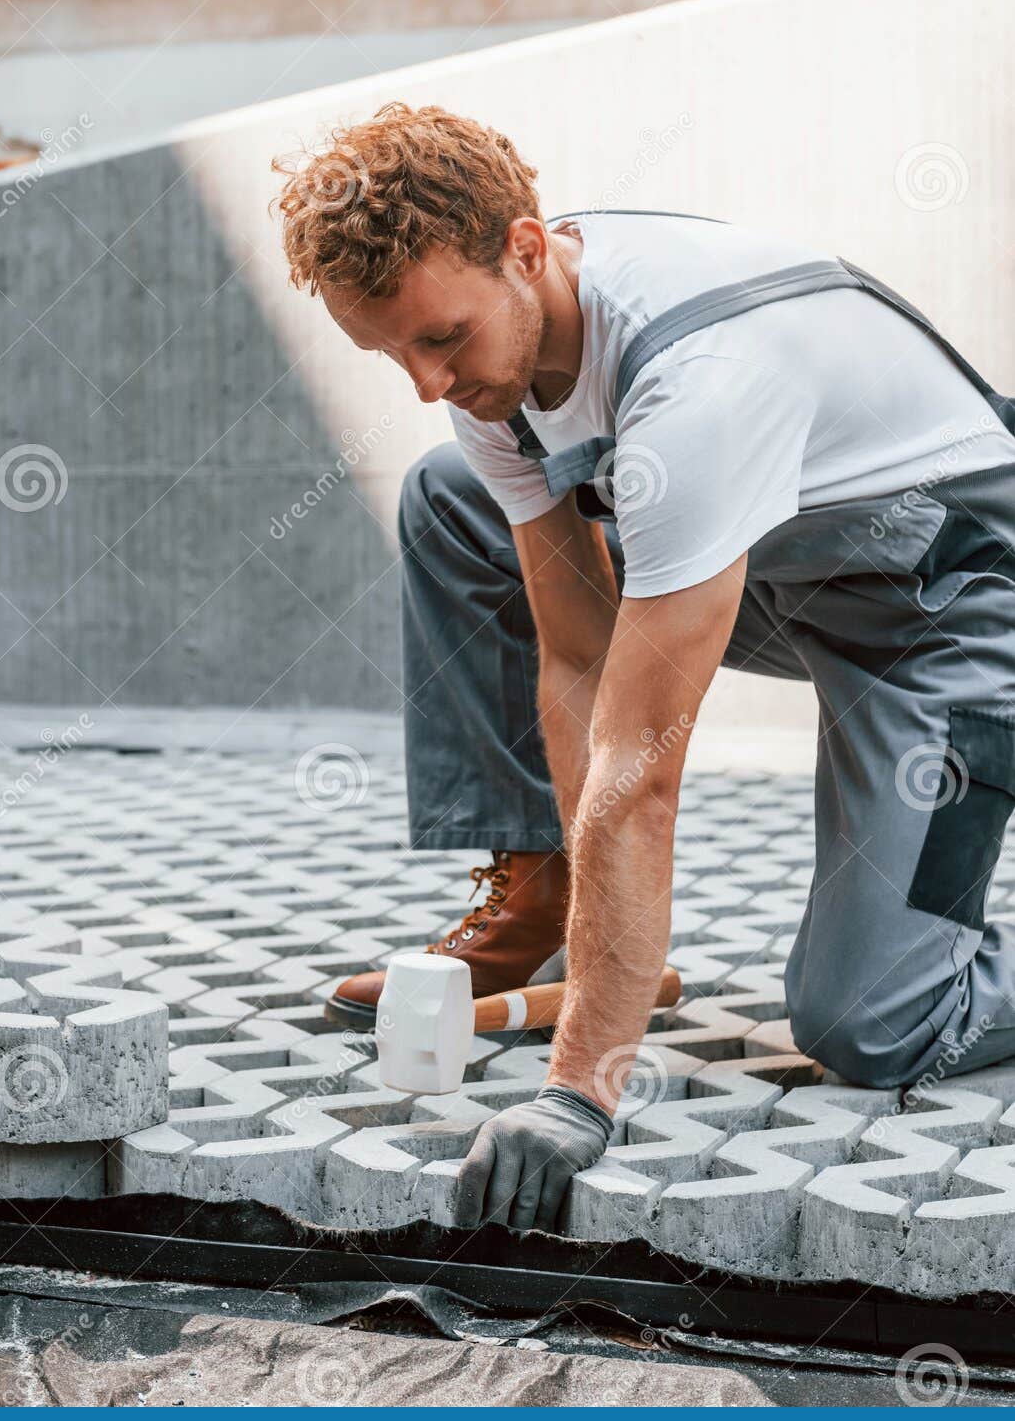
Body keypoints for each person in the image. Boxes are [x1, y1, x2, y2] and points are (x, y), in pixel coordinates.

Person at [274, 101, 1015, 1234]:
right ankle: (547, 902)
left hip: (953, 602)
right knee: (450, 496)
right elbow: (576, 657)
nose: (424, 384)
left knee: (874, 1023)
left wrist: (580, 1087)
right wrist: (600, 953)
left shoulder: (697, 381)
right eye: (389, 353)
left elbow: (640, 765)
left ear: (525, 249)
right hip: (790, 561)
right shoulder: (503, 350)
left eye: (439, 340)